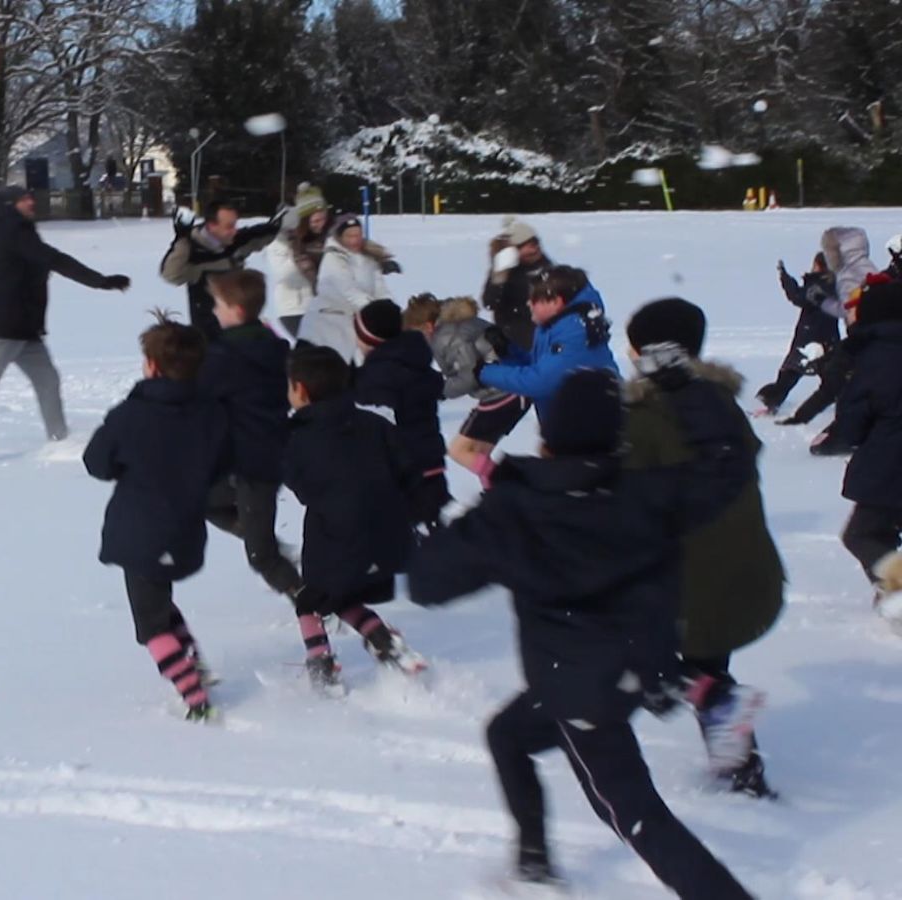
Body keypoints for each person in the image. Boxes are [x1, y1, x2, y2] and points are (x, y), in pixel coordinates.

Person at [409, 369, 753, 899]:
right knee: (508, 735)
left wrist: (484, 523)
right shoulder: (649, 494)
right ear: (618, 438)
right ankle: (533, 859)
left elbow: (427, 582)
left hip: (581, 692)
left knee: (634, 816)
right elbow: (730, 465)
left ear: (545, 440)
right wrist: (690, 389)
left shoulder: (517, 511)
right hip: (638, 666)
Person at [624, 298, 784, 798]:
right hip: (751, 576)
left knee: (632, 654)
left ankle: (718, 728)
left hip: (700, 588)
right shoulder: (721, 402)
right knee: (706, 664)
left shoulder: (646, 415)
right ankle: (740, 766)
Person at [0, 187, 131, 466]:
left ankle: (59, 441)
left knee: (48, 380)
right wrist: (100, 281)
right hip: (2, 326)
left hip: (24, 327)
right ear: (8, 206)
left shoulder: (13, 232)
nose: (32, 201)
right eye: (23, 199)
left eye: (31, 196)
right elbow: (55, 259)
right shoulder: (12, 231)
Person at [83, 312, 229, 721]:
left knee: (150, 625)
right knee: (157, 601)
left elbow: (97, 462)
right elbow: (221, 465)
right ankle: (193, 662)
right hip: (184, 531)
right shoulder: (212, 414)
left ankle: (193, 693)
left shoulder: (130, 416)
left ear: (151, 366)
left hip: (139, 535)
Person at [283, 345, 426, 692]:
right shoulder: (376, 425)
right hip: (391, 536)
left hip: (337, 534)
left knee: (310, 599)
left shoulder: (295, 437)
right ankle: (386, 643)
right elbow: (410, 472)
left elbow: (299, 484)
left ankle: (322, 669)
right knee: (341, 595)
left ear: (300, 390)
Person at [198, 271, 310, 627]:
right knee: (202, 501)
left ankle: (313, 600)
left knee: (261, 557)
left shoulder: (224, 355)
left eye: (218, 305)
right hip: (265, 454)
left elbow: (201, 398)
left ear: (235, 309)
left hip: (250, 463)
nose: (214, 311)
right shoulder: (274, 345)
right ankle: (262, 537)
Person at [832, 275, 902, 622]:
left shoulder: (876, 356)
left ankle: (898, 591)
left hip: (891, 465)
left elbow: (851, 423)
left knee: (863, 534)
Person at [354, 299, 449, 534]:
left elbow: (380, 426)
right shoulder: (412, 361)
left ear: (370, 339)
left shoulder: (378, 377)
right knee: (437, 531)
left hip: (404, 472)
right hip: (431, 462)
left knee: (412, 540)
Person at [478, 265, 617, 425]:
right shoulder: (557, 324)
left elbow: (540, 382)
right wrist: (509, 351)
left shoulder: (575, 332)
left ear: (556, 302)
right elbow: (546, 366)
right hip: (570, 425)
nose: (529, 304)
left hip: (589, 428)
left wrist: (484, 372)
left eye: (534, 300)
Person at [430, 296, 531, 487]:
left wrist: (439, 391)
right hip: (517, 388)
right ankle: (496, 493)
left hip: (500, 394)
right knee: (478, 453)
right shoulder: (476, 324)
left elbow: (468, 376)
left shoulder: (452, 335)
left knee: (458, 451)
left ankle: (509, 485)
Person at [159, 200, 284, 339]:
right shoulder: (193, 250)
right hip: (210, 336)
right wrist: (182, 239)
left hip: (242, 329)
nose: (234, 230)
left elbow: (258, 236)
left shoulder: (234, 242)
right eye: (229, 226)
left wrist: (277, 225)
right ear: (212, 226)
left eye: (235, 225)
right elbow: (170, 274)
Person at [297, 213, 396, 364]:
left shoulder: (368, 258)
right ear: (340, 237)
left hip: (354, 324)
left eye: (358, 234)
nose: (355, 240)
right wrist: (375, 314)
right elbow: (348, 291)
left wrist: (389, 307)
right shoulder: (333, 258)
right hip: (326, 322)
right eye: (350, 235)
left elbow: (380, 287)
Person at [756, 254, 841, 415]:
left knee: (790, 372)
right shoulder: (834, 285)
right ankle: (849, 405)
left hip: (810, 338)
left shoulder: (818, 286)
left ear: (820, 266)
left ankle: (772, 403)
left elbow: (797, 297)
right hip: (828, 338)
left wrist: (785, 278)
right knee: (832, 376)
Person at [264, 184, 329, 337]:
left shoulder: (326, 238)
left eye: (324, 218)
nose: (321, 224)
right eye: (316, 220)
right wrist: (311, 256)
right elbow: (283, 275)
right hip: (295, 308)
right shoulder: (281, 241)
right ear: (304, 219)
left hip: (324, 306)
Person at [482, 217, 552, 351]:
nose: (534, 249)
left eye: (536, 243)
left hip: (543, 334)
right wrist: (499, 277)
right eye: (528, 245)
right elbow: (490, 302)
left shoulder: (545, 266)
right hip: (514, 335)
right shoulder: (504, 271)